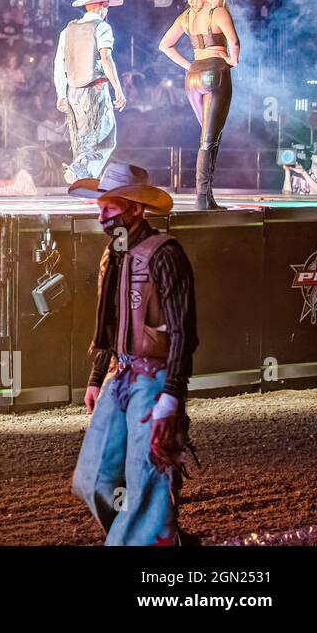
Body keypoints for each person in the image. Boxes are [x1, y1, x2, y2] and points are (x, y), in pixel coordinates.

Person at [69, 162, 199, 546]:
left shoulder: (165, 254)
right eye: (101, 206)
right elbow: (109, 325)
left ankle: (142, 538)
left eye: (110, 206)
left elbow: (182, 332)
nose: (102, 214)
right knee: (93, 480)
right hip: (121, 375)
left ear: (135, 209)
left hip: (155, 380)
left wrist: (171, 396)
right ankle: (156, 535)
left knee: (148, 475)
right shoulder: (115, 254)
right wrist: (97, 377)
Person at [157, 0, 240, 210]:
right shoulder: (218, 12)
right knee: (209, 139)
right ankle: (202, 198)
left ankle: (206, 196)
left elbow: (165, 45)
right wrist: (233, 60)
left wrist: (189, 65)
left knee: (207, 136)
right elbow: (233, 41)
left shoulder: (187, 16)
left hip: (193, 78)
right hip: (216, 73)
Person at [54, 0, 126, 184]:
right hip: (95, 89)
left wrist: (61, 93)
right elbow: (106, 58)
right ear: (103, 5)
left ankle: (85, 181)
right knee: (103, 136)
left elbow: (59, 64)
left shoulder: (67, 31)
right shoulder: (101, 27)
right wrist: (118, 89)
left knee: (85, 136)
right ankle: (79, 169)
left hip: (73, 90)